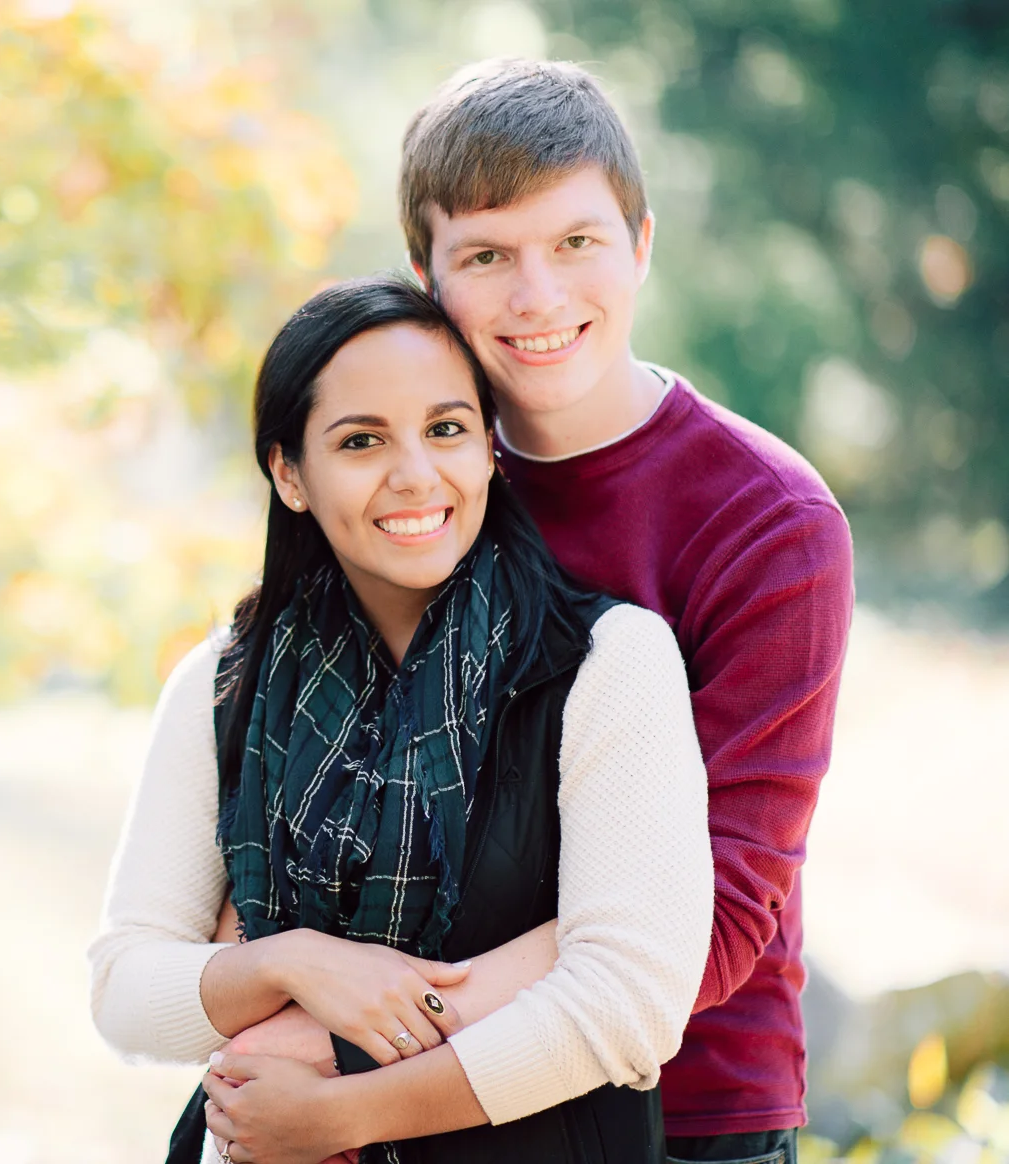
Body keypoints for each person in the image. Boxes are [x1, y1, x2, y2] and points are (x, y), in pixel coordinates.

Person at [89, 275, 713, 1163]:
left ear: (491, 449)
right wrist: (290, 963)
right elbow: (123, 989)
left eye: (447, 429)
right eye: (361, 440)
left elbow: (630, 1001)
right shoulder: (223, 684)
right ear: (289, 473)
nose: (416, 474)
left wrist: (345, 1104)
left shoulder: (607, 663)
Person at [396, 60, 855, 1164]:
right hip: (420, 1100)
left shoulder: (767, 519)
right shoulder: (411, 495)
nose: (537, 297)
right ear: (425, 275)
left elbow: (725, 909)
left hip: (678, 1106)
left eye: (575, 244)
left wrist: (377, 1042)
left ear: (641, 243)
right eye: (487, 257)